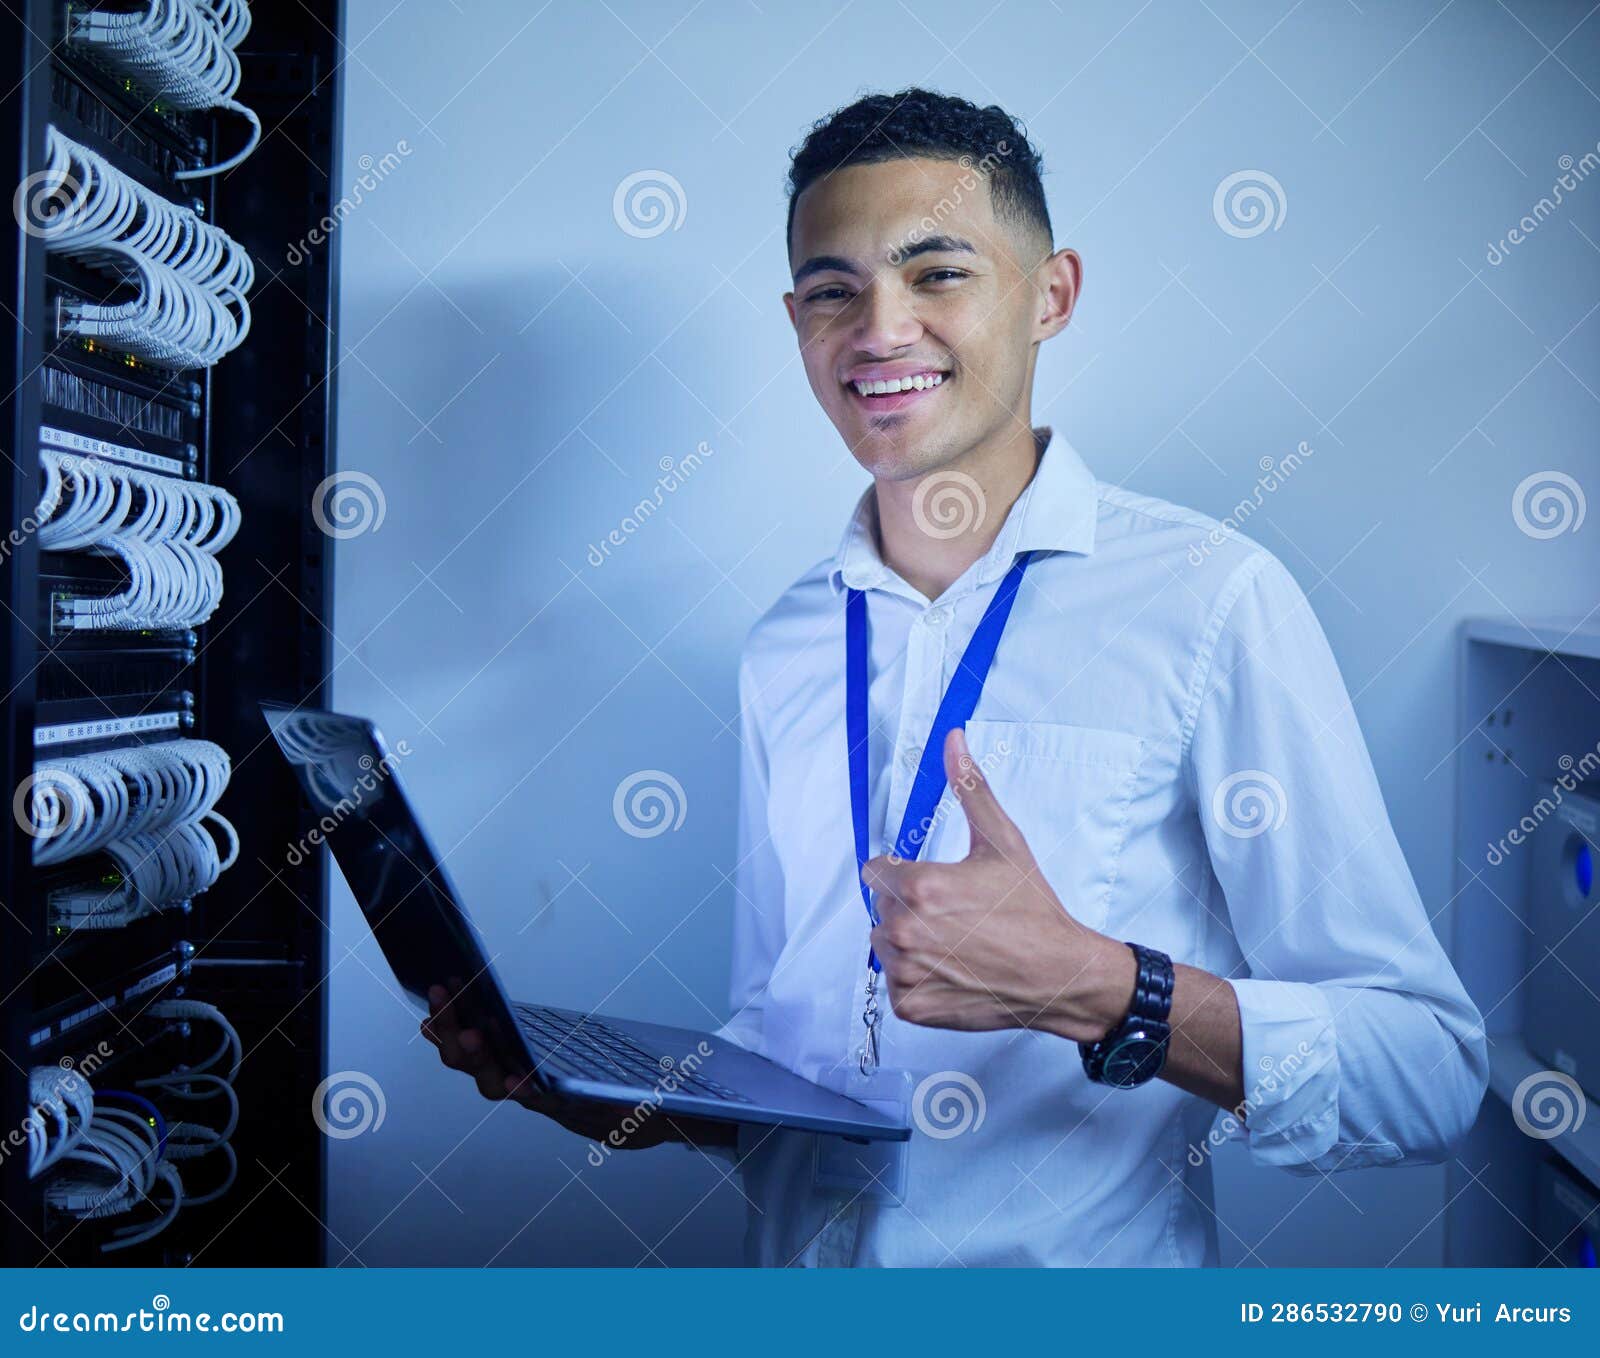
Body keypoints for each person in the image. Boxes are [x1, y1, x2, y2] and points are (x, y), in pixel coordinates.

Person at [426, 87, 1488, 1267]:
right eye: (834, 289)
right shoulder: (787, 639)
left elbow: (1430, 1068)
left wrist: (1098, 987)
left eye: (937, 272)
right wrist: (621, 1097)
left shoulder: (1210, 597)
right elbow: (797, 1047)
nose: (878, 328)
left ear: (1051, 296)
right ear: (796, 321)